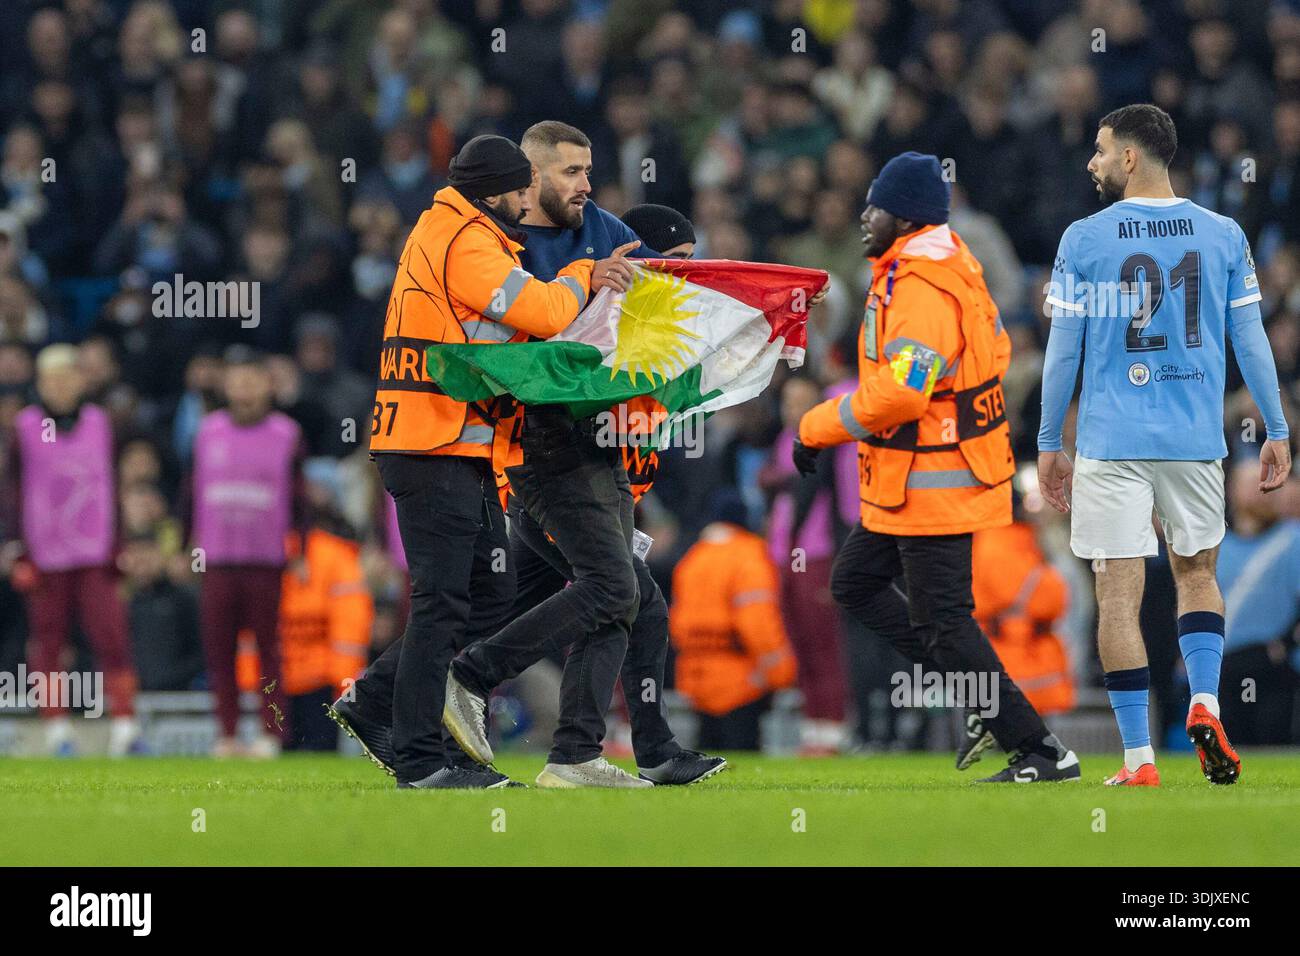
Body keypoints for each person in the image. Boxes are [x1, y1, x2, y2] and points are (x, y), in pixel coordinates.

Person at [337, 195, 729, 787]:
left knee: (510, 605)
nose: (684, 280)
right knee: (627, 595)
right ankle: (593, 742)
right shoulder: (598, 313)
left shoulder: (646, 323)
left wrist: (776, 309)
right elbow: (546, 388)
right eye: (673, 263)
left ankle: (375, 696)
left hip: (575, 483)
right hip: (543, 478)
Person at [333, 133, 625, 789]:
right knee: (441, 604)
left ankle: (378, 701)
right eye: (524, 185)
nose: (530, 196)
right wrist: (585, 273)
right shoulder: (463, 241)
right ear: (497, 189)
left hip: (457, 445)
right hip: (429, 442)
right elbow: (543, 313)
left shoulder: (465, 235)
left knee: (487, 594)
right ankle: (419, 759)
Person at [795, 151, 1081, 783]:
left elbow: (903, 394)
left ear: (903, 215)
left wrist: (817, 426)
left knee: (944, 622)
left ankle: (1039, 749)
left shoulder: (920, 284)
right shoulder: (941, 266)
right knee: (857, 586)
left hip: (933, 482)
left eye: (874, 207)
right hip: (918, 479)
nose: (863, 218)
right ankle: (981, 699)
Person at [1038, 104, 1293, 787]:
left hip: (1110, 439)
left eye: (1100, 149)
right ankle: (1207, 702)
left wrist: (1046, 442)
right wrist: (1277, 427)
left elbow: (1063, 352)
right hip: (1192, 438)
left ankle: (1137, 760)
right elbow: (1251, 340)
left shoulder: (1083, 240)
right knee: (1196, 573)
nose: (1091, 161)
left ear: (1129, 156)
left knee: (1116, 593)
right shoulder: (1223, 234)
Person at [4, 344, 141, 756]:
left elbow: (111, 487)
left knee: (112, 638)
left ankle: (124, 725)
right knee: (47, 643)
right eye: (52, 379)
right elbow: (12, 493)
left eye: (68, 377)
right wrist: (16, 549)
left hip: (96, 552)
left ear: (82, 381)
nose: (61, 386)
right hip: (46, 555)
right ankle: (56, 728)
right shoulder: (25, 428)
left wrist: (120, 545)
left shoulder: (101, 424)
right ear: (40, 384)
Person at [188, 347, 305, 758]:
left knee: (269, 650)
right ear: (225, 384)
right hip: (217, 557)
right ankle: (227, 735)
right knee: (219, 650)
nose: (245, 386)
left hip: (265, 558)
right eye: (237, 378)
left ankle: (272, 734)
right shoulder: (207, 431)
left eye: (253, 378)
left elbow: (300, 497)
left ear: (268, 383)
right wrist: (188, 544)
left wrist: (301, 548)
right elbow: (191, 492)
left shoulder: (287, 433)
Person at [669, 491, 798, 750]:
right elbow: (757, 622)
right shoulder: (749, 556)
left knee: (707, 761)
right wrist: (781, 674)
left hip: (696, 678)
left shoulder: (692, 558)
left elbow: (677, 622)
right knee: (742, 764)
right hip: (741, 680)